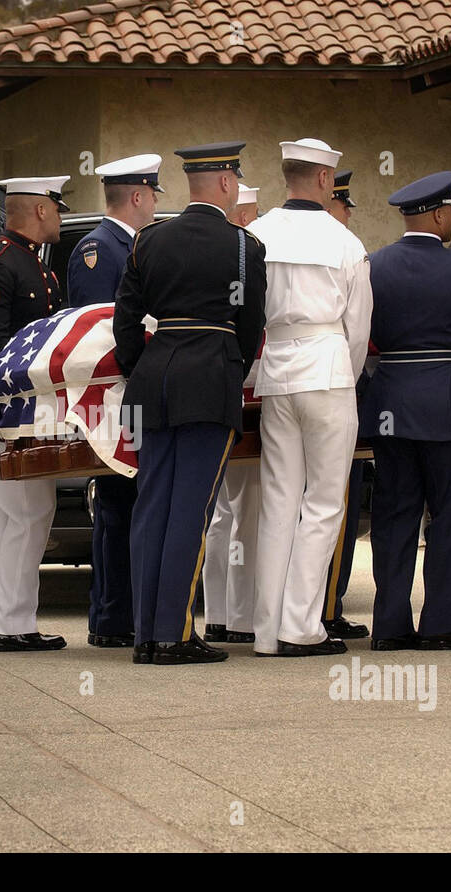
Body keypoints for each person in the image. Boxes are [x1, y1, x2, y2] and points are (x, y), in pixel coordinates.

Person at [115, 141, 266, 665]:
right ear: (227, 184)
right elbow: (249, 330)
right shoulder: (245, 248)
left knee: (152, 503)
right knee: (191, 508)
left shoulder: (148, 240)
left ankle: (145, 634)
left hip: (152, 383)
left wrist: (145, 368)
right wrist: (227, 368)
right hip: (209, 380)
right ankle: (173, 634)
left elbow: (125, 324)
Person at [248, 138, 370, 658]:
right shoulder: (345, 240)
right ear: (325, 179)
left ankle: (265, 631)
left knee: (277, 501)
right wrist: (348, 372)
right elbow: (359, 328)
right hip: (327, 367)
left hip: (276, 370)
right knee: (323, 502)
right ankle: (301, 625)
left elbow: (248, 313)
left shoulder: (255, 234)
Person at [363, 171, 451, 649]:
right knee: (449, 519)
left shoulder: (374, 266)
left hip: (390, 401)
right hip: (445, 403)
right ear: (439, 214)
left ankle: (391, 627)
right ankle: (440, 625)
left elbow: (365, 338)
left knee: (393, 517)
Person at [0, 175, 70, 652]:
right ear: (41, 209)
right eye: (58, 208)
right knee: (27, 515)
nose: (61, 217)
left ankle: (2, 621)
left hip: (20, 413)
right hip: (0, 413)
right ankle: (7, 623)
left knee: (9, 519)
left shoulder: (36, 267)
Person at [66, 154, 163, 648]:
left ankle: (120, 615)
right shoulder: (99, 250)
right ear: (139, 195)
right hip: (112, 396)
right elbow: (97, 333)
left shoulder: (130, 246)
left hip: (133, 391)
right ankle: (109, 619)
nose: (154, 204)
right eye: (153, 195)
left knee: (128, 502)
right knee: (115, 504)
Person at [204, 182, 262, 645]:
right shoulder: (243, 252)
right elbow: (252, 323)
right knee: (245, 511)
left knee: (223, 513)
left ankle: (221, 612)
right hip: (242, 387)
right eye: (250, 212)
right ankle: (237, 615)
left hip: (225, 383)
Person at [320, 168, 370, 641]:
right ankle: (326, 606)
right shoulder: (346, 251)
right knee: (333, 503)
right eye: (343, 203)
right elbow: (358, 337)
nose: (349, 212)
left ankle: (323, 603)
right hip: (334, 385)